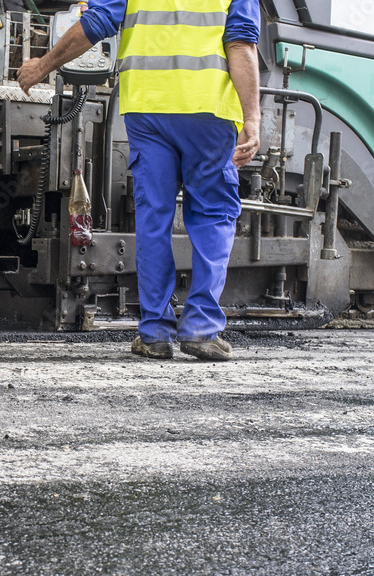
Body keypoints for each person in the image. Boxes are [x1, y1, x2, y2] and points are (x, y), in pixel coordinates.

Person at [18, 0, 260, 361]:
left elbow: (96, 22)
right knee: (212, 217)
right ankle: (202, 329)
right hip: (209, 111)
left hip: (148, 108)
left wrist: (42, 65)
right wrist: (252, 119)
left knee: (154, 218)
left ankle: (154, 333)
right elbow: (240, 44)